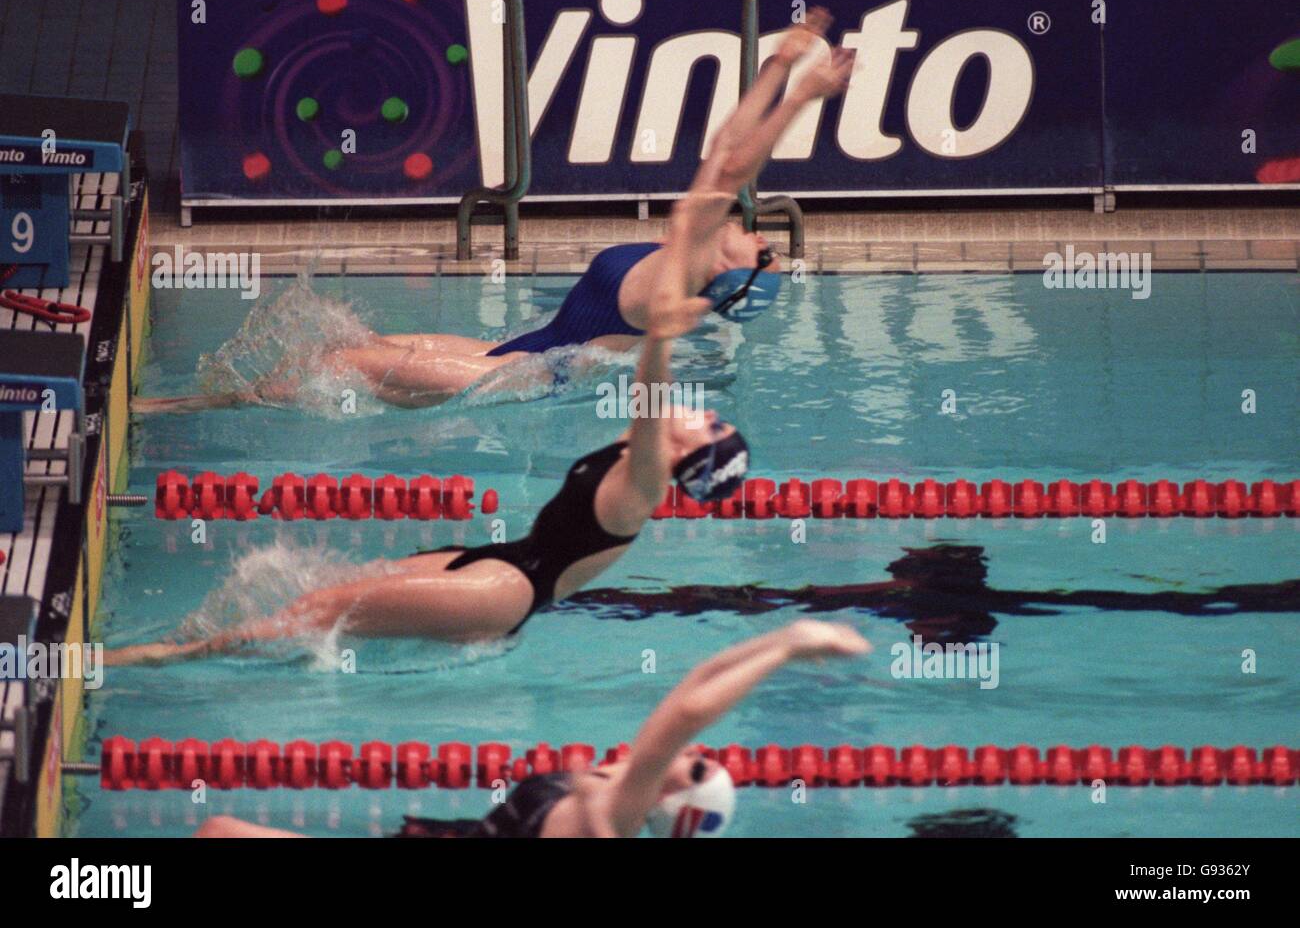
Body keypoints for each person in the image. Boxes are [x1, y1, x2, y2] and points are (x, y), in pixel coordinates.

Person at [132, 8, 855, 413]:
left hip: (524, 381)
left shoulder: (688, 266)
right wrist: (776, 69)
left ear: (730, 276)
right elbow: (726, 146)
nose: (759, 235)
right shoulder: (693, 255)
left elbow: (730, 165)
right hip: (526, 350)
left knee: (349, 363)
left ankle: (185, 410)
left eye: (763, 254)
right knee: (352, 345)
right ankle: (219, 398)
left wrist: (798, 93)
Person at [105, 215, 748, 663]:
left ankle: (159, 657)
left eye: (712, 429)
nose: (703, 415)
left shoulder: (641, 483)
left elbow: (651, 393)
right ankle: (182, 646)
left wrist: (662, 337)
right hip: (491, 565)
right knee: (326, 597)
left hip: (502, 588)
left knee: (323, 609)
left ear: (690, 457)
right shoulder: (640, 456)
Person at [192, 620, 871, 838]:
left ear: (676, 805)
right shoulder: (616, 794)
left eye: (698, 770)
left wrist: (787, 649)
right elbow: (694, 687)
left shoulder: (618, 812)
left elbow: (686, 714)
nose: (694, 754)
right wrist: (780, 639)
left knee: (220, 834)